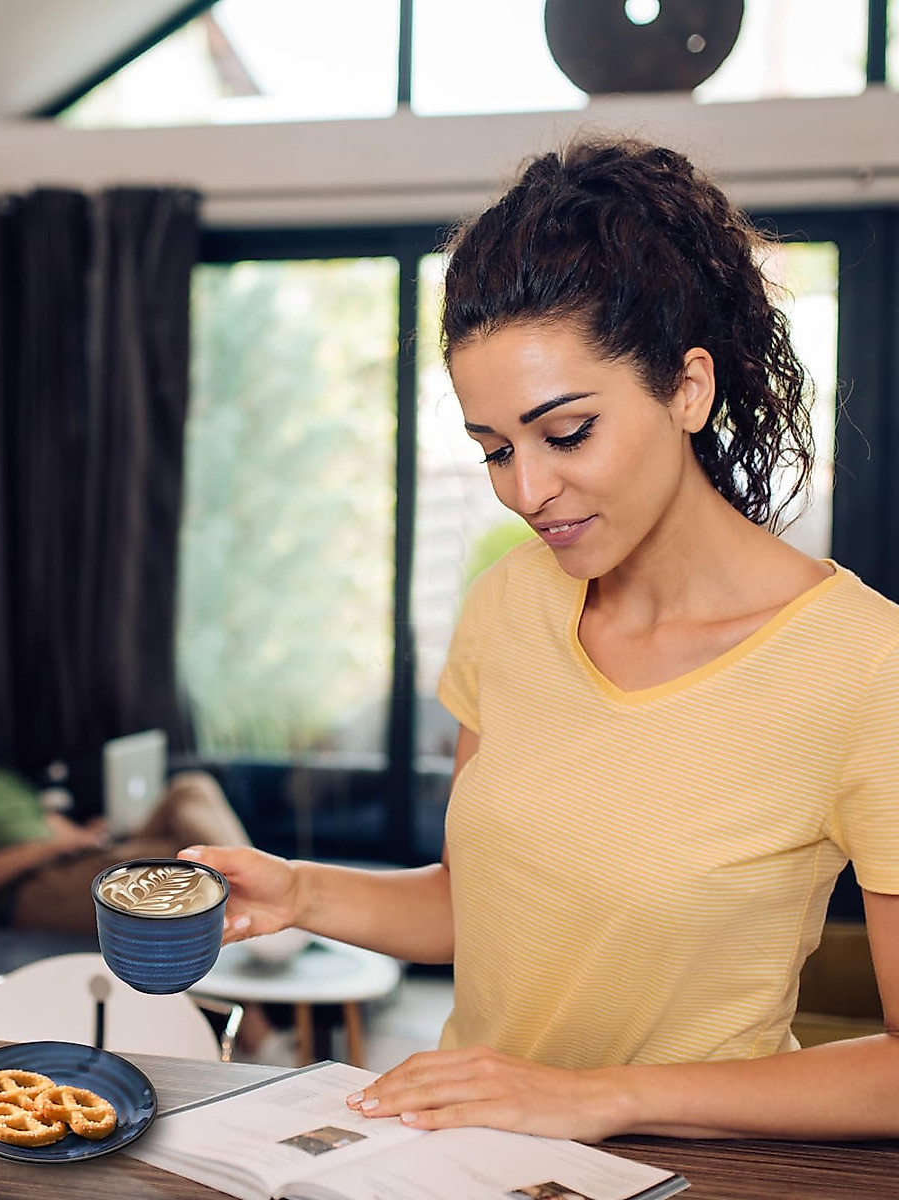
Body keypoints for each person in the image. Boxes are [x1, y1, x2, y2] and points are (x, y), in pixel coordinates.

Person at [182, 139, 899, 1141]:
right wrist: (300, 892)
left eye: (567, 434)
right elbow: (479, 905)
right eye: (494, 450)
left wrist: (606, 1095)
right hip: (466, 1158)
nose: (526, 491)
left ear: (687, 389)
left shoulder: (865, 667)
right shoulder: (511, 602)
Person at [0, 675, 252, 934]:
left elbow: (51, 825)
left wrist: (87, 835)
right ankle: (255, 894)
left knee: (190, 787)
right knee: (187, 861)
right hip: (30, 891)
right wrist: (44, 850)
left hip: (77, 862)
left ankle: (254, 884)